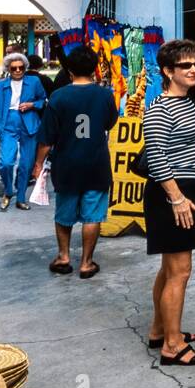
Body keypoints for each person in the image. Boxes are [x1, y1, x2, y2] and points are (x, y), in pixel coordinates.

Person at [143, 39, 195, 366]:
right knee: (180, 272)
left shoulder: (188, 103)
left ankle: (160, 329)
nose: (194, 69)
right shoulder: (159, 109)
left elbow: (193, 142)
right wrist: (177, 198)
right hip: (170, 194)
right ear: (168, 71)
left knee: (170, 268)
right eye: (185, 66)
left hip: (187, 188)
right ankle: (172, 345)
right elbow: (156, 157)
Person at [31, 46, 118, 278]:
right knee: (93, 215)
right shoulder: (105, 95)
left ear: (69, 70)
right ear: (94, 69)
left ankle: (64, 256)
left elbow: (46, 139)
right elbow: (110, 123)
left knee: (64, 213)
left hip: (66, 164)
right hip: (96, 164)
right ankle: (87, 263)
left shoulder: (59, 96)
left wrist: (38, 164)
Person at [0, 53, 48, 212]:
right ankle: (8, 191)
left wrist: (32, 104)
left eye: (21, 67)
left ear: (25, 68)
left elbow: (43, 101)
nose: (18, 70)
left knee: (26, 165)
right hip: (7, 123)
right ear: (8, 69)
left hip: (29, 123)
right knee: (6, 163)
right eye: (14, 68)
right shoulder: (2, 85)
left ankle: (21, 198)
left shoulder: (34, 81)